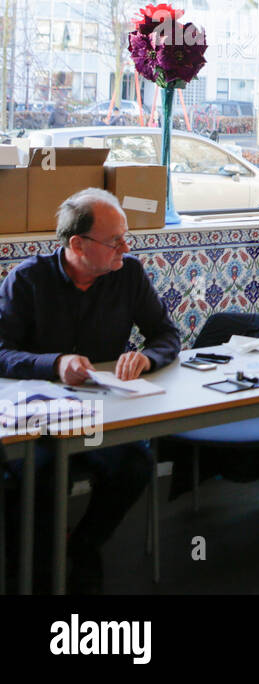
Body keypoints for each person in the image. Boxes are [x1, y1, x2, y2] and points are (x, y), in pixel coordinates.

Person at [0, 187, 180, 593]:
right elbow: (0, 351)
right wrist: (54, 363)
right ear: (77, 244)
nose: (125, 247)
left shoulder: (128, 274)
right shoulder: (27, 280)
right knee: (40, 475)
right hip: (38, 418)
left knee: (135, 464)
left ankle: (84, 546)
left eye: (126, 237)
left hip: (103, 414)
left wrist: (147, 357)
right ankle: (35, 572)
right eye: (115, 240)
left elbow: (166, 334)